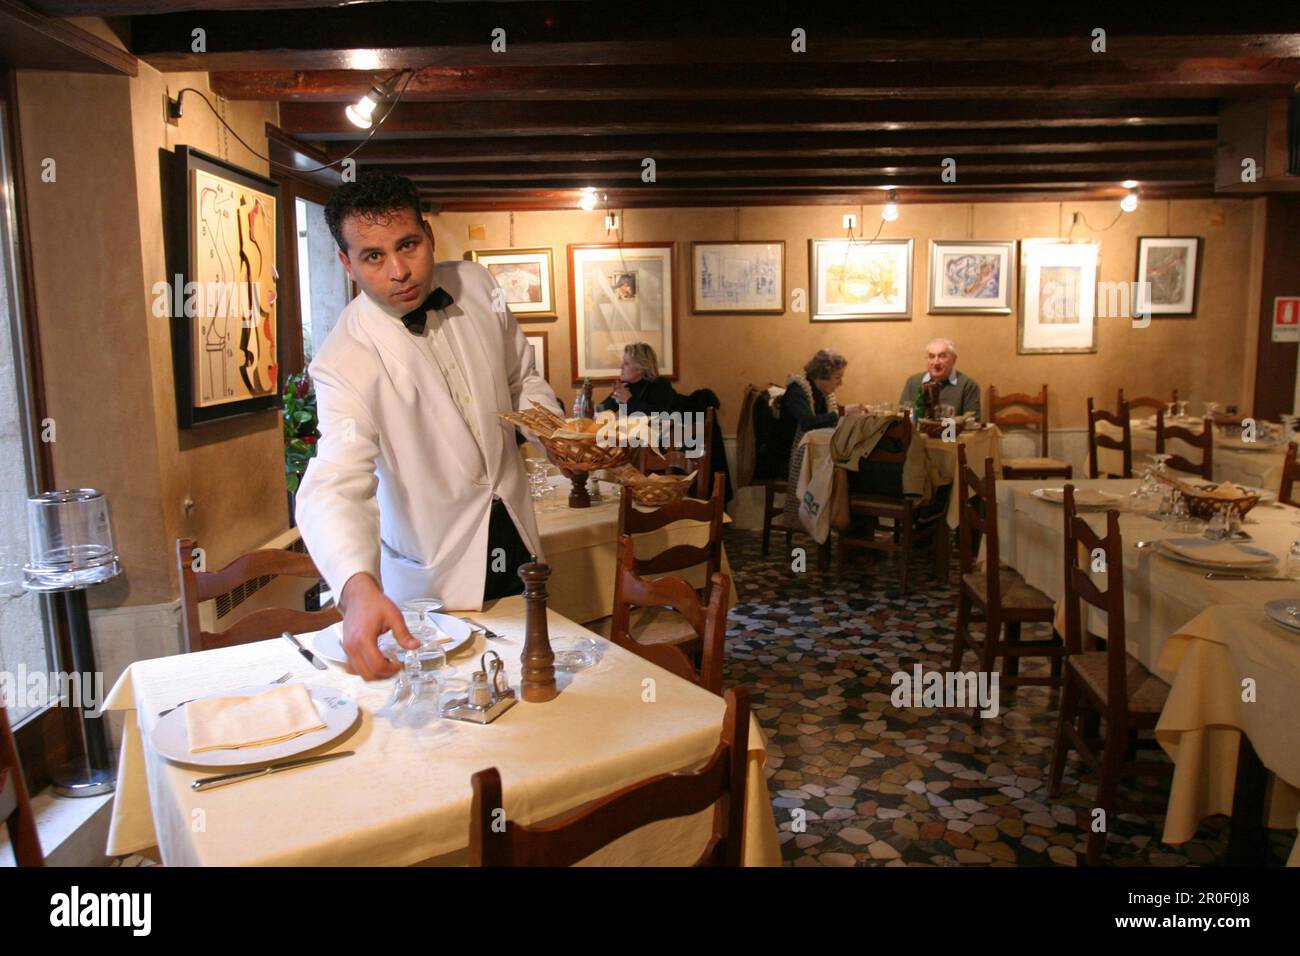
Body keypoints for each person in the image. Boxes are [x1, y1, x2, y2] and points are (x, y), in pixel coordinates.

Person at [295, 172, 561, 680]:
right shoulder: (342, 360)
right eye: (373, 257)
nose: (399, 271)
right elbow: (336, 479)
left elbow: (520, 379)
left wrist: (551, 432)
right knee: (458, 697)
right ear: (346, 263)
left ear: (429, 235)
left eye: (408, 245)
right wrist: (355, 589)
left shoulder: (479, 285)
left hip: (517, 533)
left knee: (534, 679)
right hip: (435, 572)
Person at [779, 349, 864, 530]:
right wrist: (841, 412)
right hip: (787, 456)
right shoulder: (798, 390)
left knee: (852, 470)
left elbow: (825, 414)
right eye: (837, 377)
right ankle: (841, 530)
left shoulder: (821, 393)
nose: (840, 383)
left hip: (812, 453)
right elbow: (809, 422)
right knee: (846, 472)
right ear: (822, 376)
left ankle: (854, 539)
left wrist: (853, 410)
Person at [898, 338, 981, 419]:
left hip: (952, 433)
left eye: (942, 356)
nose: (936, 362)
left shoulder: (968, 385)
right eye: (931, 356)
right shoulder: (913, 382)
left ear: (954, 359)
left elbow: (973, 421)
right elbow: (901, 416)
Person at [597, 342, 677, 418]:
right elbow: (599, 412)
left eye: (626, 363)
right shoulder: (626, 385)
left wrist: (629, 400)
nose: (621, 366)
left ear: (640, 368)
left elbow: (661, 414)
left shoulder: (661, 384)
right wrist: (615, 399)